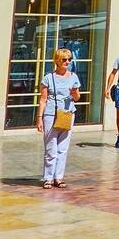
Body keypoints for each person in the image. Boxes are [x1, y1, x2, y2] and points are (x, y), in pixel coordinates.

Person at [37, 48, 81, 189]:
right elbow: (43, 99)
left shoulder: (73, 77)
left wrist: (74, 93)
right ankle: (48, 177)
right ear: (57, 61)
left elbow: (77, 97)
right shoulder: (49, 77)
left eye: (69, 59)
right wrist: (39, 118)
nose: (67, 62)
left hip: (67, 114)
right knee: (51, 148)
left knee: (63, 148)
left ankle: (59, 177)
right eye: (64, 59)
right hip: (51, 114)